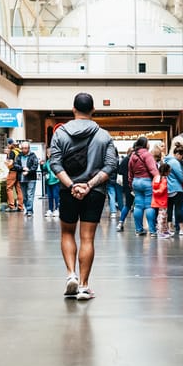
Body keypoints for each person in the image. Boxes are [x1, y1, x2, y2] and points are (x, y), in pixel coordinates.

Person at [49, 92, 117, 300]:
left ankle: (71, 275)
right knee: (87, 238)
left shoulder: (60, 134)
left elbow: (55, 164)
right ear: (93, 110)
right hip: (94, 192)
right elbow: (110, 165)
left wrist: (72, 186)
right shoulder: (104, 135)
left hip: (68, 192)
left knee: (67, 233)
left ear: (73, 109)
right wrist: (88, 185)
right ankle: (84, 286)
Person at [125, 137, 160, 235]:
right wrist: (158, 178)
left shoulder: (132, 155)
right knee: (149, 206)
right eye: (148, 142)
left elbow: (130, 172)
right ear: (145, 144)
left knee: (138, 206)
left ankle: (139, 230)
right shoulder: (147, 155)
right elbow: (153, 169)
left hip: (136, 182)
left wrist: (131, 183)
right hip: (147, 181)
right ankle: (152, 231)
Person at [163, 144, 183, 234]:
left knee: (169, 208)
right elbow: (180, 177)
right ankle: (181, 228)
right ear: (177, 154)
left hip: (168, 188)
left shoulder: (166, 160)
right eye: (182, 156)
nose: (182, 158)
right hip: (176, 188)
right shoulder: (175, 162)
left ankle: (170, 227)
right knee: (178, 208)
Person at [15, 141, 39, 217]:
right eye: (23, 148)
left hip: (31, 178)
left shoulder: (33, 155)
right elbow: (15, 165)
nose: (24, 150)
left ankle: (29, 210)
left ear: (29, 148)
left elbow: (35, 166)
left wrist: (28, 171)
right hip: (21, 178)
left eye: (26, 148)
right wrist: (22, 168)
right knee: (24, 196)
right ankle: (27, 208)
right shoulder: (19, 156)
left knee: (30, 194)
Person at [115, 148, 133, 232]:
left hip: (127, 185)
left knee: (127, 205)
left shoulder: (125, 160)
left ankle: (120, 223)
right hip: (135, 184)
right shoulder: (136, 160)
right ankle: (139, 228)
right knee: (140, 206)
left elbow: (120, 172)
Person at [153, 162, 172, 239]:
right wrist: (158, 191)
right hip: (162, 201)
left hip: (156, 200)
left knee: (163, 216)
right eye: (169, 171)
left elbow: (154, 186)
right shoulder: (164, 180)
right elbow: (162, 189)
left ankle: (164, 230)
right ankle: (161, 231)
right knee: (162, 216)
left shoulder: (156, 177)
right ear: (166, 172)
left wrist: (155, 192)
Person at [4, 138, 23, 212]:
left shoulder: (12, 152)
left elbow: (11, 163)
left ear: (10, 144)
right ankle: (21, 207)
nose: (7, 146)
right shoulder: (19, 151)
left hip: (13, 172)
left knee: (9, 188)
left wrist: (6, 164)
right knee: (19, 189)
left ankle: (11, 206)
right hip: (19, 172)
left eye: (8, 144)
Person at [42, 147, 60, 217]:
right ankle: (50, 209)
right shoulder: (47, 162)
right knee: (50, 196)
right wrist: (41, 165)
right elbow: (44, 169)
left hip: (56, 181)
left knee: (56, 196)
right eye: (48, 153)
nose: (49, 154)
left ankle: (57, 209)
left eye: (50, 153)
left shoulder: (56, 161)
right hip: (48, 181)